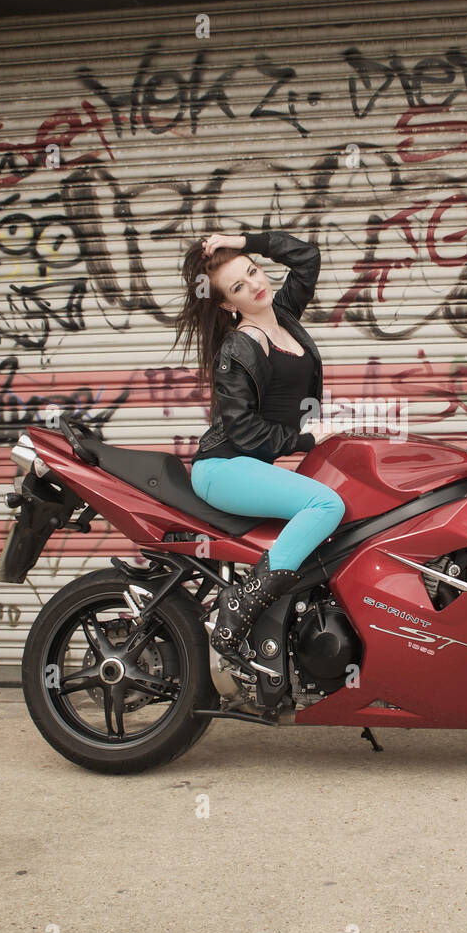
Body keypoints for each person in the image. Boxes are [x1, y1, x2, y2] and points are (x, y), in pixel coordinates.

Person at [173, 227, 345, 685]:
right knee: (326, 505)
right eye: (238, 287)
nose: (254, 284)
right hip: (223, 468)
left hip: (250, 465)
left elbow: (307, 255)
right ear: (229, 304)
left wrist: (244, 239)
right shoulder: (240, 345)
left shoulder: (284, 315)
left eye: (252, 271)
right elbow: (242, 429)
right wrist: (305, 440)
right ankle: (237, 608)